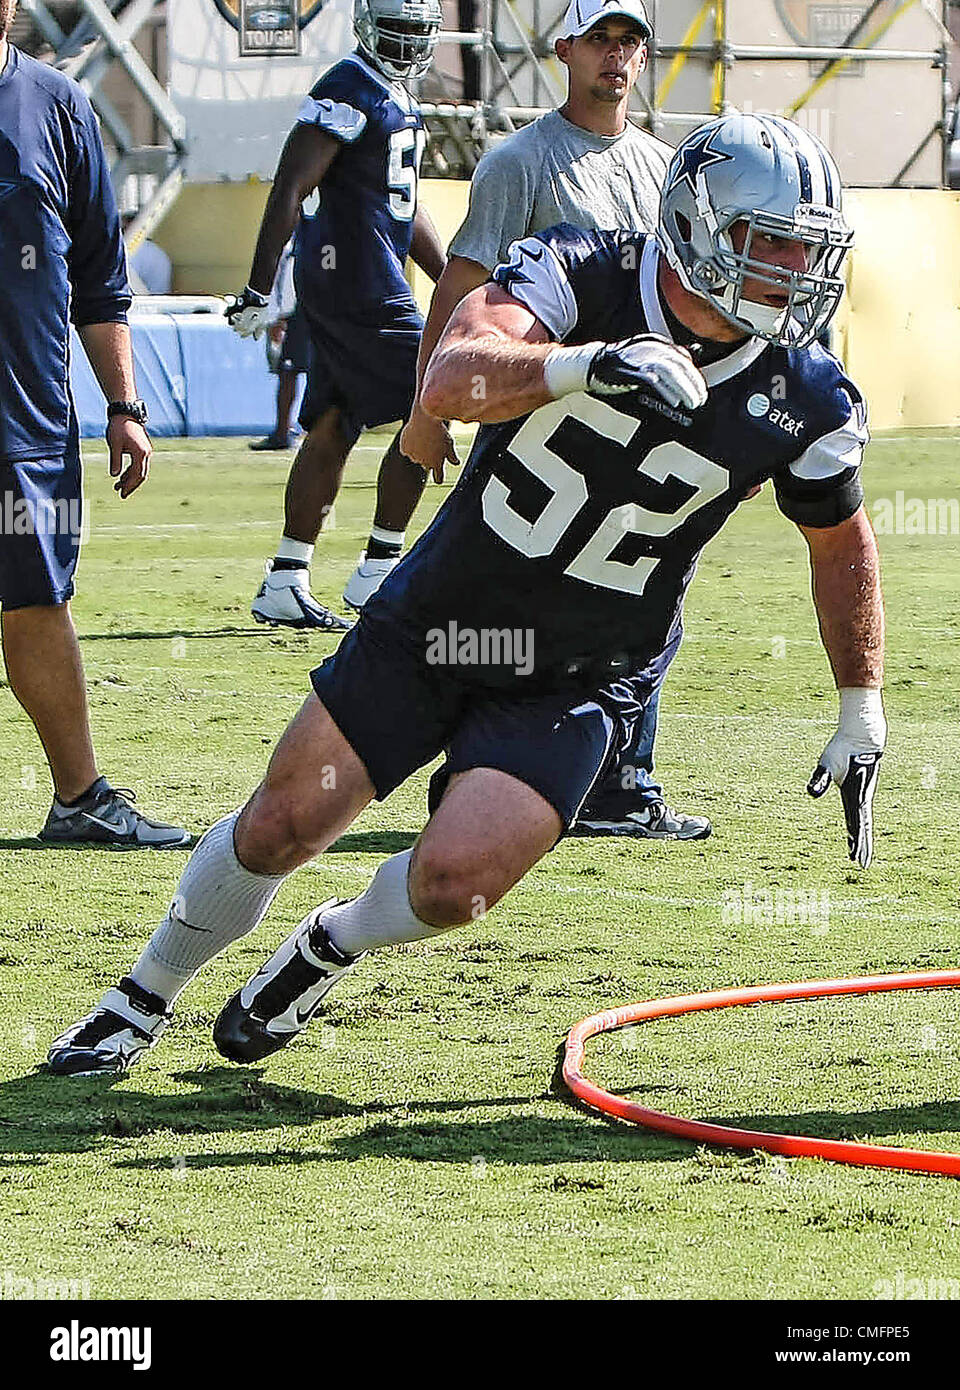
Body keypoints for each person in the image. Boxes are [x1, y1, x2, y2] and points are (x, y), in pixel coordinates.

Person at [47, 113, 886, 1077]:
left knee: (455, 885)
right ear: (696, 226)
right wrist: (584, 365)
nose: (791, 271)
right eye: (768, 242)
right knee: (281, 826)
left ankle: (328, 946)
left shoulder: (809, 395)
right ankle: (140, 997)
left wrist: (860, 703)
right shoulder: (582, 273)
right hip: (441, 620)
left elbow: (840, 543)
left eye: (806, 248)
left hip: (581, 670)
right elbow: (450, 377)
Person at [343, 0, 709, 841]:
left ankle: (619, 786)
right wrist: (425, 410)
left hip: (641, 429)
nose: (616, 57)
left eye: (629, 42)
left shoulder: (665, 167)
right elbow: (464, 288)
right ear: (564, 49)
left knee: (651, 604)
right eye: (599, 41)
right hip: (537, 423)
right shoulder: (521, 162)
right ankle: (483, 767)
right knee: (497, 599)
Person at [0, 3, 189, 849]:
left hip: (26, 416)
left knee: (38, 599)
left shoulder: (57, 105)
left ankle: (79, 798)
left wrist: (123, 407)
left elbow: (101, 279)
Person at [228, 0, 447, 631]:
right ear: (368, 26)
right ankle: (380, 567)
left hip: (358, 282)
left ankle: (286, 578)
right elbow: (290, 184)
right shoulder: (348, 86)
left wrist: (453, 277)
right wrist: (256, 285)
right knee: (431, 398)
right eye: (397, 30)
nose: (407, 44)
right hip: (357, 285)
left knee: (332, 422)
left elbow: (404, 208)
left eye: (417, 33)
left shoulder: (390, 94)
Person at [249, 235, 310, 452]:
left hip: (301, 314)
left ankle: (289, 431)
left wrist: (279, 317)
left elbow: (286, 283)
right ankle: (285, 430)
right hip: (302, 314)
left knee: (292, 373)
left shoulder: (300, 243)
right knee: (289, 373)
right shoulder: (294, 243)